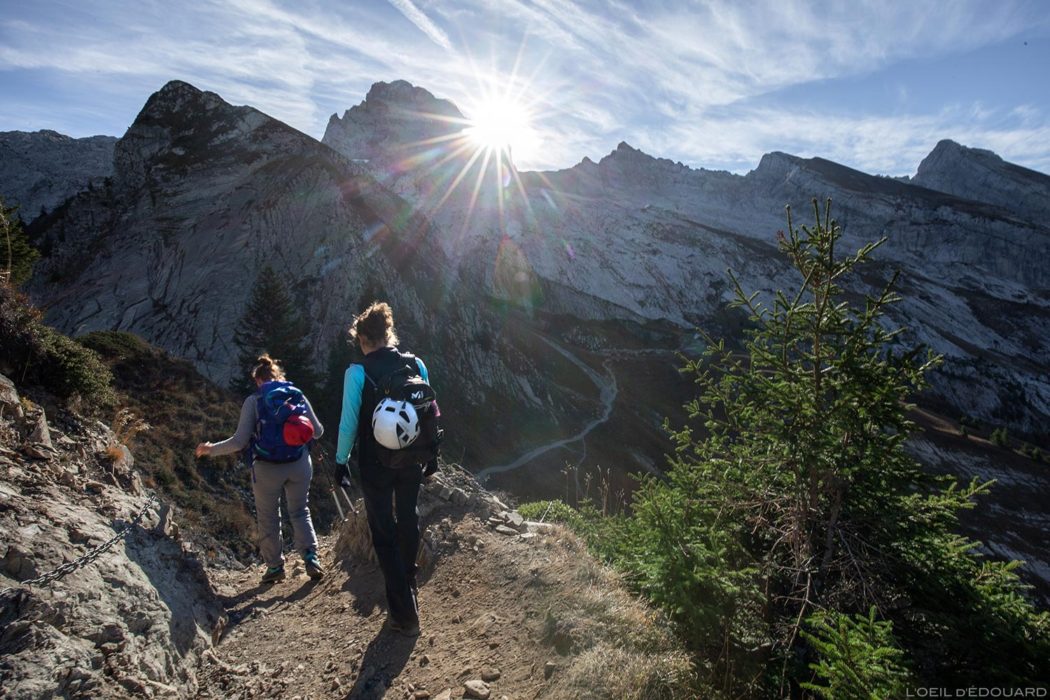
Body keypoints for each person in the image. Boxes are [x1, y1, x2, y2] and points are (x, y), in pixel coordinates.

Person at [336, 302, 430, 637]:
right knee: (408, 518)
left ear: (362, 338)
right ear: (389, 333)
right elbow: (428, 409)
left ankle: (404, 613)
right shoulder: (415, 363)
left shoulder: (357, 372)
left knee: (383, 532)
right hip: (412, 457)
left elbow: (348, 424)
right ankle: (409, 582)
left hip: (375, 464)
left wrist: (340, 461)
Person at [196, 354, 325, 584]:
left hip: (267, 469)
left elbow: (239, 441)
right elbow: (318, 432)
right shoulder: (297, 395)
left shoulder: (254, 401)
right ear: (278, 375)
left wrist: (210, 449)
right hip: (299, 464)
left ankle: (275, 567)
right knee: (300, 510)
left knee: (268, 517)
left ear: (258, 381)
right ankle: (311, 557)